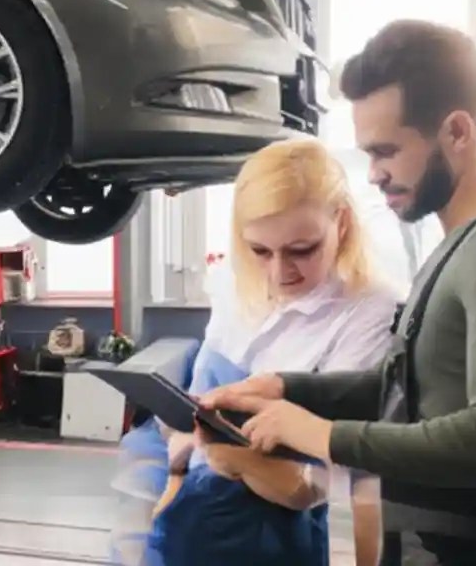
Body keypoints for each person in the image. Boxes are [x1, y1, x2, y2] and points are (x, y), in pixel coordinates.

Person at [202, 20, 476, 566]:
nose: (374, 174)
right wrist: (288, 389)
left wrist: (323, 435)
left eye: (386, 152)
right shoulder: (465, 241)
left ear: (457, 131)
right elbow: (411, 389)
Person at [113, 138, 399, 566]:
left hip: (268, 534)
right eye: (260, 250)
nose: (279, 271)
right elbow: (190, 413)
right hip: (184, 511)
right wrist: (176, 462)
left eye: (302, 250)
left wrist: (229, 457)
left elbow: (335, 479)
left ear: (341, 222)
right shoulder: (233, 284)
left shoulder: (369, 309)